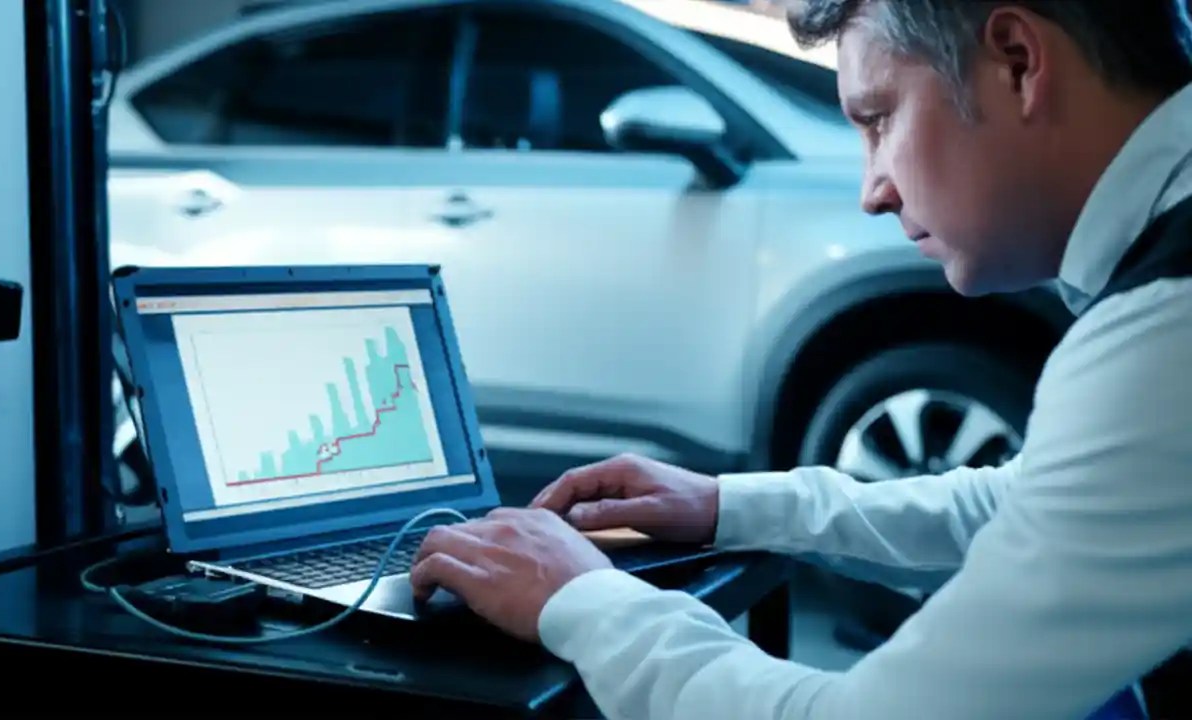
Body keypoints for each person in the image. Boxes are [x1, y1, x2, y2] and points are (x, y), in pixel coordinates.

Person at [408, 1, 1192, 718]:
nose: (872, 192)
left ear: (1019, 61)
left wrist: (581, 597)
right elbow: (1020, 506)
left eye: (879, 118)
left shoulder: (1166, 334)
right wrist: (729, 504)